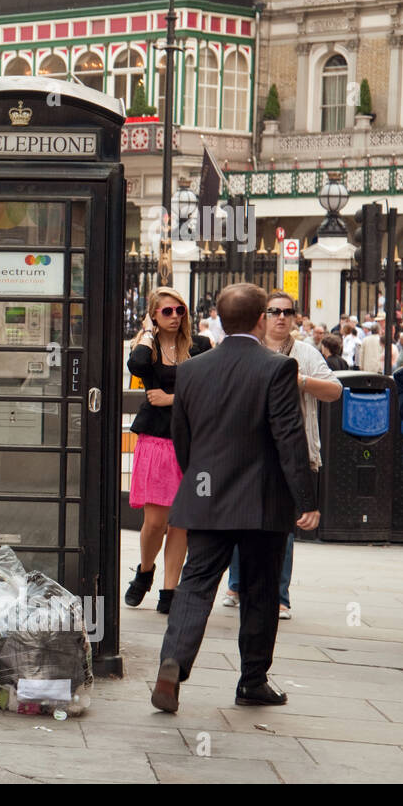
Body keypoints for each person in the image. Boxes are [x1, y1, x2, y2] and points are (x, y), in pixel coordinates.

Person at [151, 283, 319, 714]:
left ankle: (172, 664)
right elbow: (288, 438)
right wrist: (306, 499)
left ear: (220, 320)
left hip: (206, 496)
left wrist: (198, 482)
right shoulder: (276, 368)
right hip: (263, 502)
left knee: (195, 583)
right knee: (261, 589)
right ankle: (252, 681)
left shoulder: (192, 370)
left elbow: (182, 437)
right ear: (261, 319)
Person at [218, 290, 341, 620]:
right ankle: (236, 584)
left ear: (295, 317)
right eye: (274, 311)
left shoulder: (305, 353)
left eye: (287, 312)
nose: (281, 317)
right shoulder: (248, 349)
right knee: (240, 518)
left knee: (284, 527)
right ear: (262, 316)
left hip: (292, 451)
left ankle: (279, 596)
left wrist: (299, 380)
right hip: (248, 448)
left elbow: (334, 390)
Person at [124, 286, 213, 614]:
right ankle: (146, 570)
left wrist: (171, 398)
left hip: (192, 441)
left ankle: (170, 591)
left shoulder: (201, 346)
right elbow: (136, 366)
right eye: (167, 312)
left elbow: (211, 390)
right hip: (157, 440)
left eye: (180, 311)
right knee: (156, 521)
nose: (175, 317)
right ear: (153, 316)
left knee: (182, 521)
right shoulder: (145, 348)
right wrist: (148, 332)